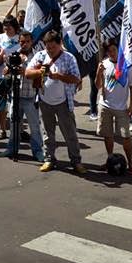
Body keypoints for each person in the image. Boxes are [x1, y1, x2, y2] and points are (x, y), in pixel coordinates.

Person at [24, 30, 86, 174]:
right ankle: (49, 159)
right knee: (48, 133)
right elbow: (27, 73)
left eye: (53, 47)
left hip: (64, 102)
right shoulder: (40, 56)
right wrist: (41, 72)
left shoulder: (69, 58)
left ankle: (76, 161)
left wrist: (58, 76)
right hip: (45, 101)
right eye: (48, 47)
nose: (50, 50)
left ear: (60, 45)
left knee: (70, 133)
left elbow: (76, 78)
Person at [95, 40, 132, 173]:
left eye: (114, 50)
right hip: (105, 105)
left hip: (121, 107)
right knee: (107, 135)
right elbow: (98, 86)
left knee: (125, 136)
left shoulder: (127, 64)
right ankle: (110, 160)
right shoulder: (104, 64)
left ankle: (130, 163)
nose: (112, 53)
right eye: (109, 51)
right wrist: (98, 72)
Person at [1, 30, 45, 161]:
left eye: (27, 42)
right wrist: (7, 71)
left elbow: (40, 73)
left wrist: (25, 69)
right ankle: (11, 149)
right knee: (14, 124)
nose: (24, 44)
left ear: (31, 42)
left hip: (30, 96)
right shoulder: (14, 55)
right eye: (21, 42)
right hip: (15, 95)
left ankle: (37, 152)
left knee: (34, 127)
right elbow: (7, 75)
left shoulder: (37, 56)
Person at [0, 16, 21, 138]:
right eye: (5, 26)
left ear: (15, 27)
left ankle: (17, 130)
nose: (7, 29)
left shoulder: (21, 38)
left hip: (17, 76)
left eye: (9, 26)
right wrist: (0, 55)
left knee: (16, 104)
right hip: (0, 75)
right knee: (0, 104)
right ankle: (2, 129)